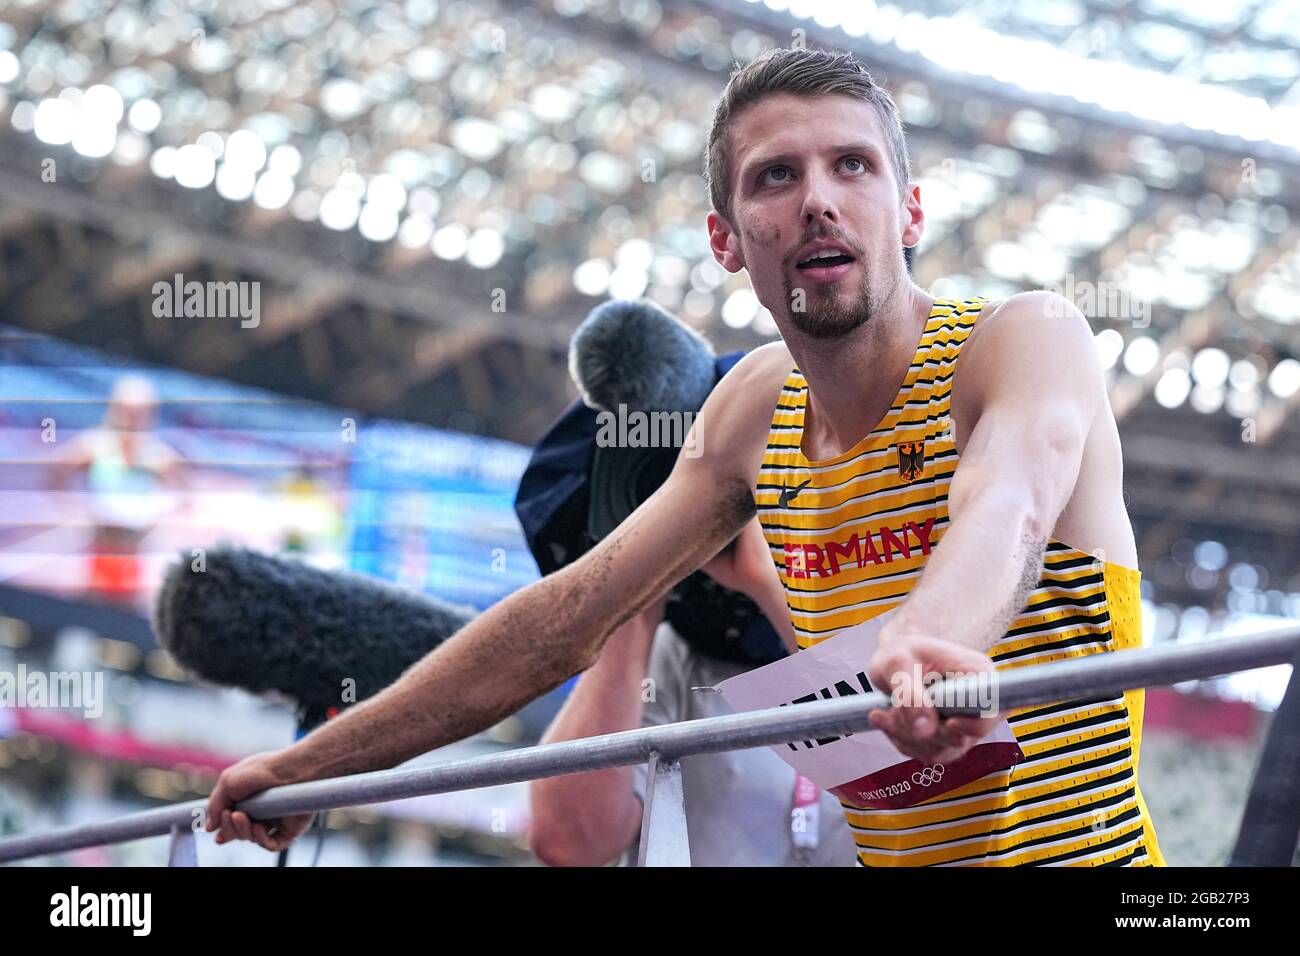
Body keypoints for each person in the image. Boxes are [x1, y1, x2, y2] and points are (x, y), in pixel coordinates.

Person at [208, 46, 1165, 866]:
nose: (819, 203)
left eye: (853, 167)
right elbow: (565, 618)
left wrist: (933, 641)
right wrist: (306, 769)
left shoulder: (1026, 338)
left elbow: (1011, 505)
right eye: (775, 177)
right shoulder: (752, 408)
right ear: (727, 241)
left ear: (909, 212)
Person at [530, 520, 856, 867]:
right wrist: (634, 584)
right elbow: (567, 842)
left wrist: (773, 587)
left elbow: (902, 790)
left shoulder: (900, 651)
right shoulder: (671, 655)